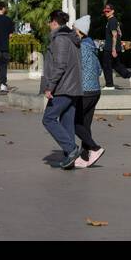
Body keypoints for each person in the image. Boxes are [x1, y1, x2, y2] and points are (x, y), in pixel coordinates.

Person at [41, 10, 82, 169]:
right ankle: (69, 159)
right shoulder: (72, 38)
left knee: (48, 119)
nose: (48, 25)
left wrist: (50, 86)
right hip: (73, 86)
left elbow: (60, 66)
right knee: (67, 122)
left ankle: (71, 150)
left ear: (54, 22)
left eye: (49, 22)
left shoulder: (60, 39)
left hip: (64, 87)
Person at [71, 15, 105, 168]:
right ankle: (85, 157)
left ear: (80, 31)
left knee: (73, 122)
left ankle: (95, 148)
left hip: (84, 91)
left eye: (74, 29)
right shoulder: (92, 46)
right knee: (85, 125)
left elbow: (76, 68)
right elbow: (98, 70)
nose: (72, 32)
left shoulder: (81, 47)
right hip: (95, 91)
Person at [99, 3, 131, 90]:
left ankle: (109, 85)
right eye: (105, 11)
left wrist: (113, 49)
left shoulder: (112, 21)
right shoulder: (114, 21)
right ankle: (130, 76)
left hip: (110, 48)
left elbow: (115, 35)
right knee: (116, 65)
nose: (106, 13)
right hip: (113, 47)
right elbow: (120, 33)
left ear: (113, 11)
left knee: (106, 66)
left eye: (108, 11)